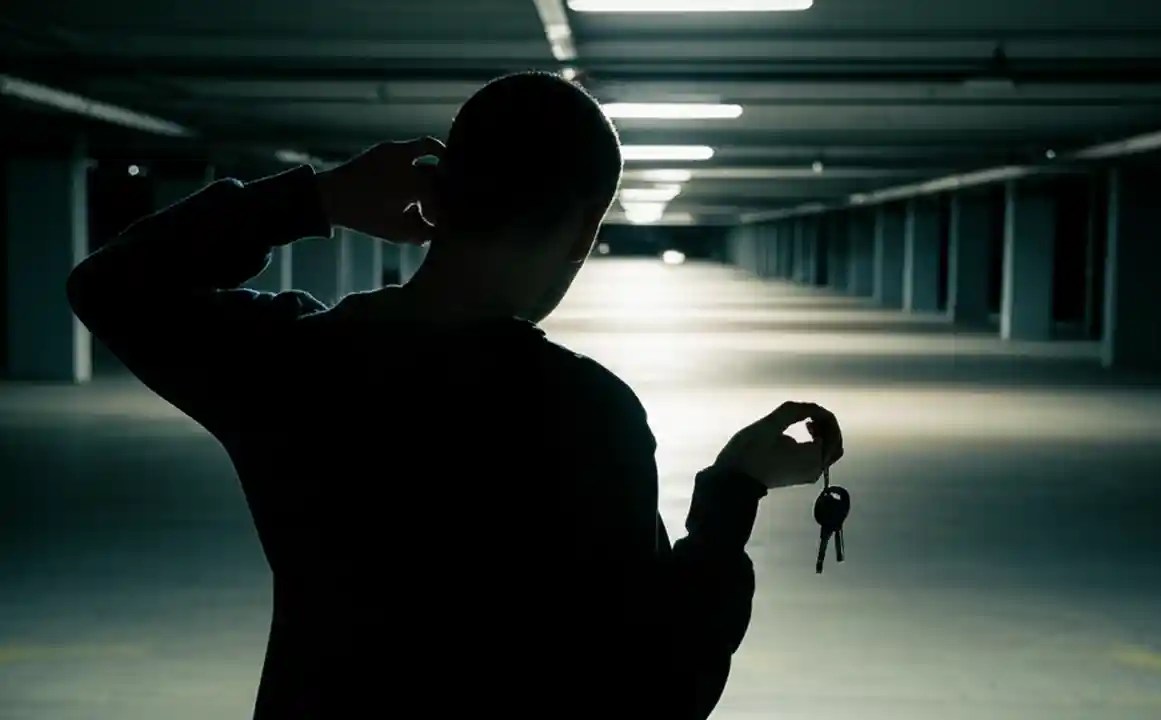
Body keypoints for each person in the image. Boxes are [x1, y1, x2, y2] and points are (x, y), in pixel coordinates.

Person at [66, 72, 844, 719]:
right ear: (582, 233)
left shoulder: (296, 364)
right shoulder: (583, 411)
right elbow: (654, 686)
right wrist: (730, 496)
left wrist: (316, 199)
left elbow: (111, 283)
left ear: (436, 200)